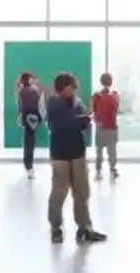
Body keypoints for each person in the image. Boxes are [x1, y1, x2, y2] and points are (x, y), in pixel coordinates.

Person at [46, 73, 107, 244]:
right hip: (60, 154)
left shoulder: (76, 102)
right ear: (63, 87)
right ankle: (56, 227)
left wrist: (83, 120)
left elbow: (82, 120)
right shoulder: (53, 103)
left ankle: (84, 227)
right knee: (59, 192)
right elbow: (60, 124)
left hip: (77, 152)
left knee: (82, 192)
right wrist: (79, 120)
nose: (73, 90)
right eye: (71, 87)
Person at [90, 72, 120, 180]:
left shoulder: (96, 96)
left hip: (101, 127)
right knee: (112, 151)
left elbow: (93, 111)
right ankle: (112, 169)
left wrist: (97, 121)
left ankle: (98, 171)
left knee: (99, 151)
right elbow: (116, 109)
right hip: (111, 127)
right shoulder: (115, 95)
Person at [17, 72, 43, 178]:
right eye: (31, 78)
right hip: (32, 116)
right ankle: (29, 165)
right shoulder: (32, 90)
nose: (33, 80)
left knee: (29, 140)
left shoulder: (22, 90)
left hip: (28, 116)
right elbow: (36, 104)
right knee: (30, 141)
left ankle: (28, 164)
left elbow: (21, 106)